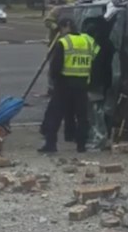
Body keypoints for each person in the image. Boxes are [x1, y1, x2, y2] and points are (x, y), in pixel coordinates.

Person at [39, 17, 97, 154]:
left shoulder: (64, 43)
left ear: (67, 26)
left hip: (64, 84)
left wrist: (54, 80)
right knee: (82, 116)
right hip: (82, 84)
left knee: (55, 114)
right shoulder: (88, 40)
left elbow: (56, 66)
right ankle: (81, 145)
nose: (61, 32)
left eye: (61, 28)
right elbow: (95, 58)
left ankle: (50, 145)